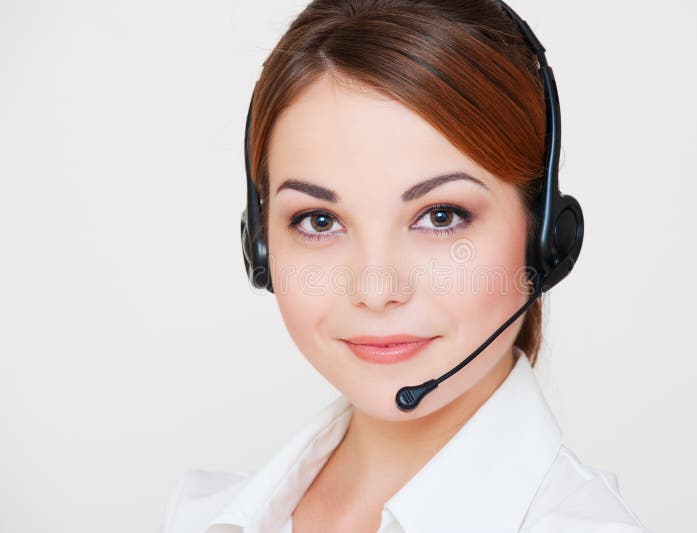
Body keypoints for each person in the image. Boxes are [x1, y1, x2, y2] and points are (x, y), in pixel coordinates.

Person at [158, 1, 648, 531]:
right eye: (319, 221)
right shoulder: (202, 513)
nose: (375, 288)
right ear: (260, 248)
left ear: (546, 239)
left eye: (440, 216)